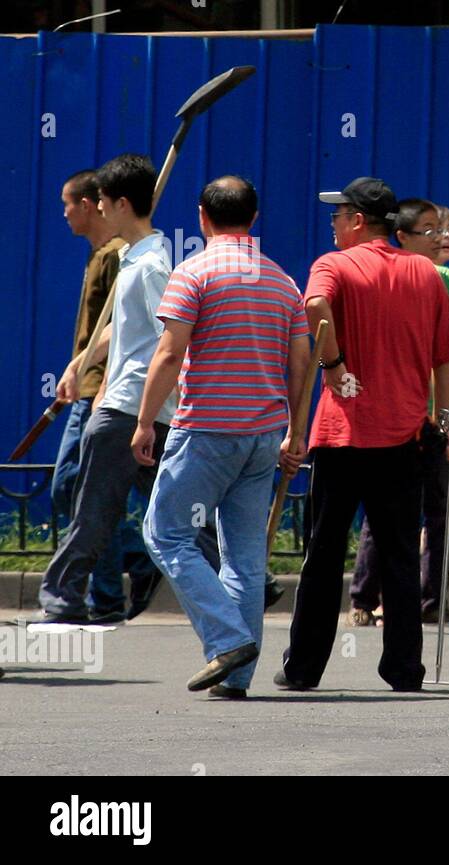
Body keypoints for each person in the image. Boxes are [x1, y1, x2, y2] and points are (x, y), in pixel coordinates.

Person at [277, 177, 449, 692]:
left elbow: (315, 308)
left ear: (358, 220)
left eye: (339, 216)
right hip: (406, 435)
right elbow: (448, 355)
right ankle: (404, 669)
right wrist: (444, 423)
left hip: (342, 435)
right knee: (401, 556)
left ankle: (304, 667)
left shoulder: (332, 265)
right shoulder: (425, 273)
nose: (333, 225)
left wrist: (334, 364)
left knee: (323, 554)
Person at [133, 176, 310, 698]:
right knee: (246, 558)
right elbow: (302, 360)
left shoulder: (192, 273)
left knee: (165, 534)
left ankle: (226, 639)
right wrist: (295, 432)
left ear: (202, 217)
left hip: (206, 429)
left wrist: (144, 422)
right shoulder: (281, 282)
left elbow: (168, 354)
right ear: (253, 218)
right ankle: (235, 676)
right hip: (262, 435)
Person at [36, 154, 218, 625]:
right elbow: (126, 329)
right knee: (171, 507)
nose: (95, 209)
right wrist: (83, 362)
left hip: (130, 409)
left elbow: (168, 340)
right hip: (138, 408)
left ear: (120, 204)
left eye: (100, 201)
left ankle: (62, 599)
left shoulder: (151, 265)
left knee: (92, 510)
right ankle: (243, 579)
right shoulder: (136, 259)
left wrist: (141, 411)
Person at [348, 198, 449, 629]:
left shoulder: (380, 273)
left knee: (384, 511)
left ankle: (365, 598)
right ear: (402, 236)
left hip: (398, 410)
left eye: (444, 229)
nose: (440, 237)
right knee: (433, 511)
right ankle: (428, 600)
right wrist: (447, 418)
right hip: (427, 413)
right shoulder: (443, 277)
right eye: (430, 230)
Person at [51, 168, 161, 622]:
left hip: (113, 395)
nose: (67, 213)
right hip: (104, 390)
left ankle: (88, 595)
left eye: (70, 203)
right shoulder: (115, 256)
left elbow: (148, 336)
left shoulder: (131, 259)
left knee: (82, 492)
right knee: (101, 495)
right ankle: (134, 566)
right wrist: (77, 366)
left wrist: (93, 378)